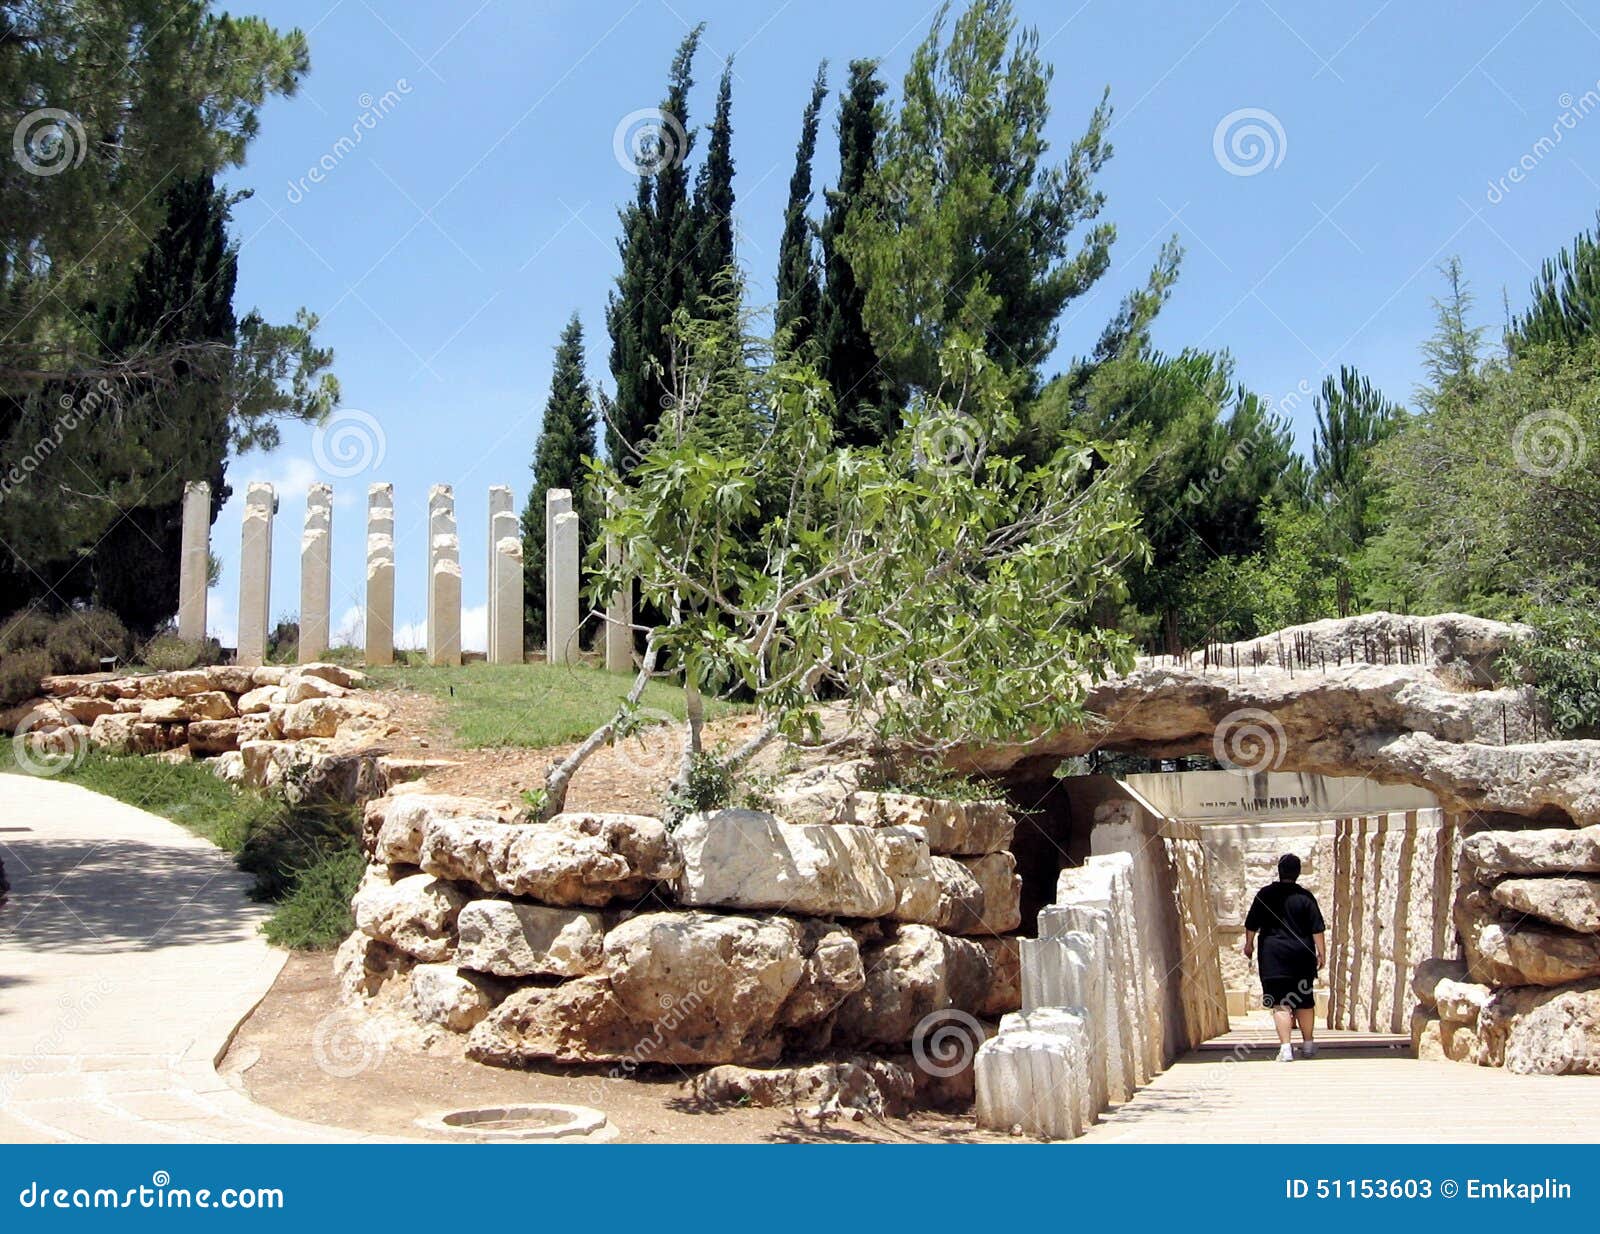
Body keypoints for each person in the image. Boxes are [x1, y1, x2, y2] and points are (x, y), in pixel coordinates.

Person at [1242, 853, 1326, 1061]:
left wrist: (1249, 944)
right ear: (1298, 873)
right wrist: (1322, 952)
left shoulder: (1264, 894)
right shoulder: (1305, 897)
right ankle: (1308, 1045)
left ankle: (1286, 1048)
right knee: (1304, 1001)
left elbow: (1251, 923)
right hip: (1302, 955)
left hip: (1273, 956)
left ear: (1279, 872)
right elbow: (1317, 928)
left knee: (1280, 1002)